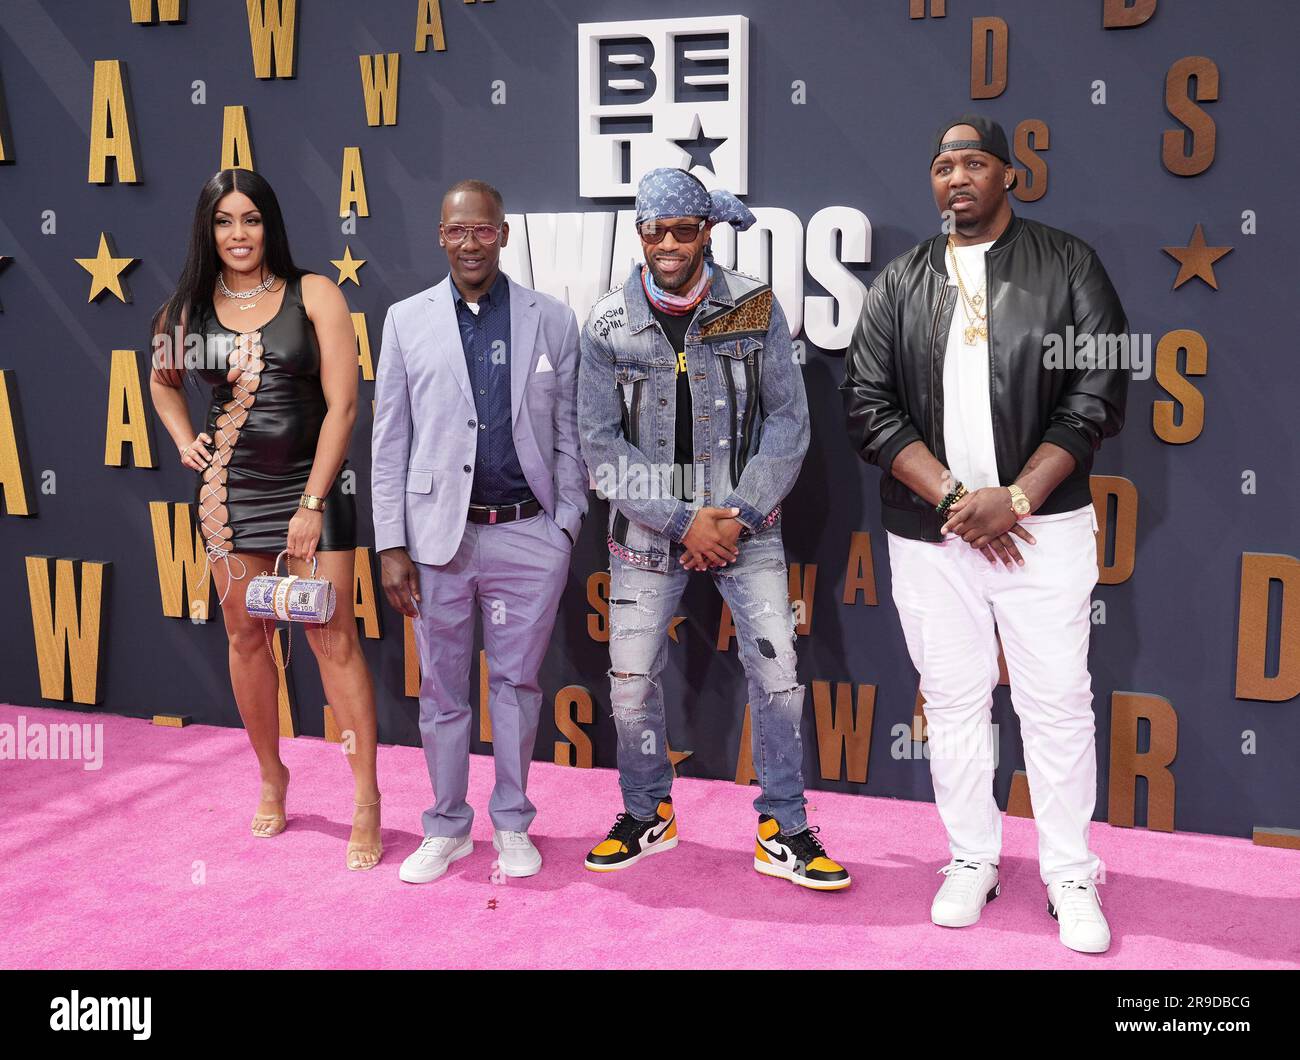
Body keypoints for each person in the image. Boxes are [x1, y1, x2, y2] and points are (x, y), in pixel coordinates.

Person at [840, 116, 1129, 951]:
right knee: (956, 702)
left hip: (1042, 532)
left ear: (1010, 176)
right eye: (941, 165)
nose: (955, 177)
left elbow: (1099, 389)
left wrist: (1020, 499)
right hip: (934, 539)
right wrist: (959, 501)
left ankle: (1071, 871)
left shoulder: (1067, 262)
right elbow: (867, 405)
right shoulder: (900, 282)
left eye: (973, 163)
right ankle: (973, 856)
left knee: (1056, 704)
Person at [576, 167, 850, 890]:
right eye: (652, 230)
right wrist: (680, 520)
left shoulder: (753, 307)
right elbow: (600, 445)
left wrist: (737, 518)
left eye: (682, 230)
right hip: (645, 533)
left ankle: (784, 828)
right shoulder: (607, 323)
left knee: (780, 678)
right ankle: (646, 812)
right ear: (637, 233)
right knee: (631, 683)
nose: (667, 244)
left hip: (744, 528)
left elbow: (789, 423)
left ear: (707, 231)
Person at [149, 168, 382, 870]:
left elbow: (344, 406)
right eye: (224, 221)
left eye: (250, 219)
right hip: (228, 495)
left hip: (313, 491)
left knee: (331, 636)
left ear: (269, 224)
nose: (238, 233)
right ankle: (271, 775)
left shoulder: (314, 294)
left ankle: (366, 799)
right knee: (247, 636)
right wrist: (181, 433)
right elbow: (161, 382)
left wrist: (311, 504)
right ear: (208, 230)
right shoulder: (186, 311)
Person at [372, 179, 586, 884]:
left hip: (529, 534)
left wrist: (566, 524)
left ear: (503, 232)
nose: (470, 243)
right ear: (441, 236)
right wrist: (391, 543)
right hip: (438, 540)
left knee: (519, 686)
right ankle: (446, 826)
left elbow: (571, 434)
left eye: (483, 230)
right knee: (441, 690)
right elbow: (388, 441)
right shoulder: (406, 320)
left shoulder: (551, 320)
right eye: (457, 231)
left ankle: (514, 823)